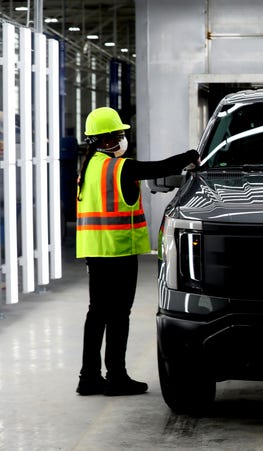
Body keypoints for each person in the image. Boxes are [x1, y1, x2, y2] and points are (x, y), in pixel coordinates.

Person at [75, 107, 200, 396]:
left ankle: (89, 378)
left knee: (97, 315)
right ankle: (116, 376)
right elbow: (158, 168)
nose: (122, 140)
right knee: (119, 315)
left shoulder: (89, 167)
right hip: (118, 253)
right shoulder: (120, 167)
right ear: (103, 140)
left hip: (96, 252)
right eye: (118, 135)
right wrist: (190, 156)